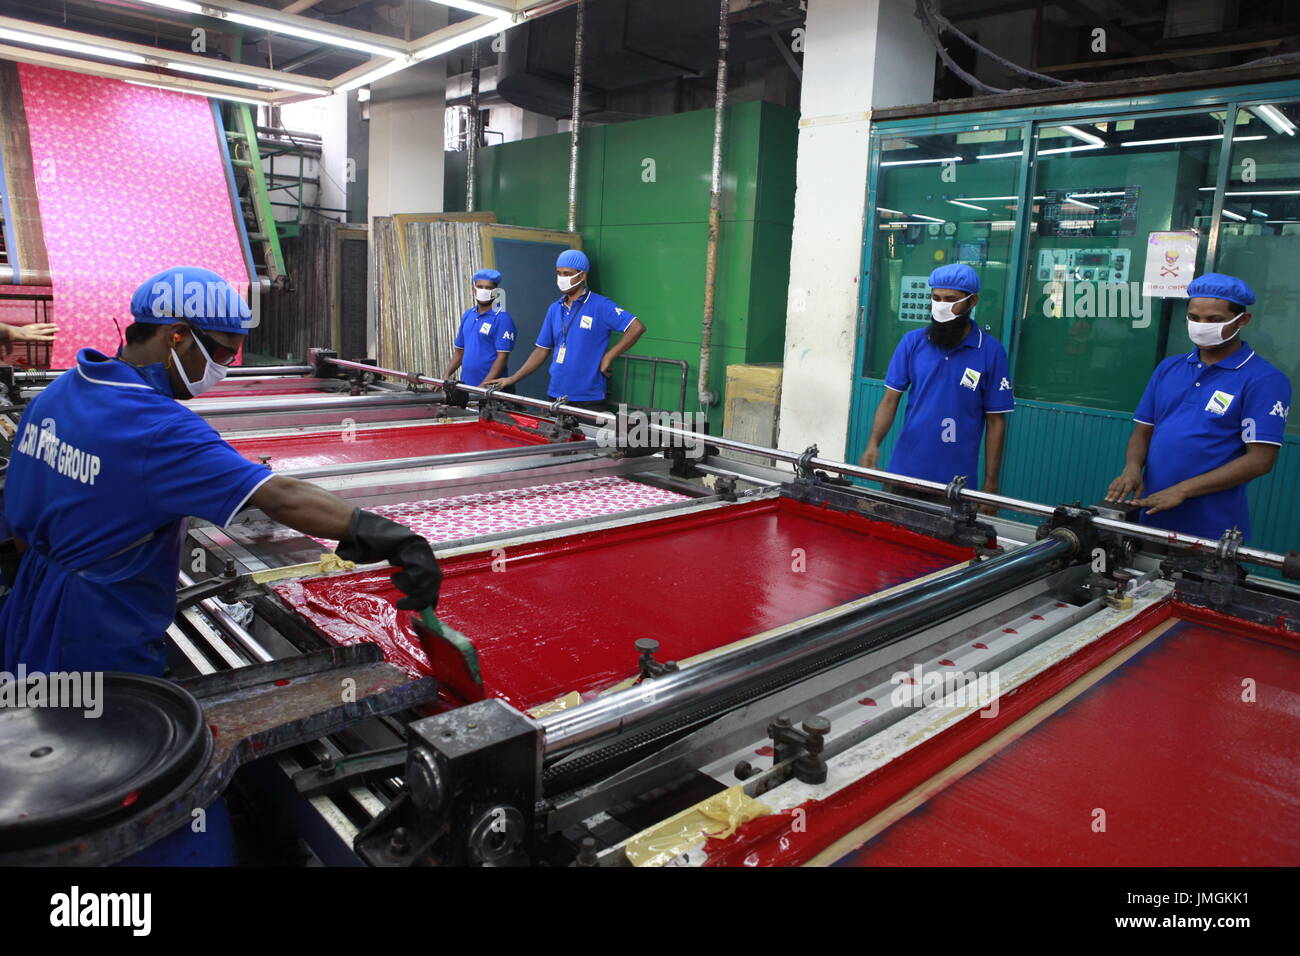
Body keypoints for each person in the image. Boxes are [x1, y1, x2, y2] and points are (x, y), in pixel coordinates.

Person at [0, 266, 442, 678]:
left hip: (27, 607)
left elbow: (18, 524)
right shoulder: (158, 427)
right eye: (221, 355)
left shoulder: (56, 394)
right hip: (97, 636)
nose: (223, 371)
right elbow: (278, 496)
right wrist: (393, 538)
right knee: (99, 746)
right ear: (177, 336)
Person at [1105, 273, 1291, 541]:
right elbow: (1144, 430)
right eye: (1194, 318)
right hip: (1151, 513)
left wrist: (1182, 490)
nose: (1201, 326)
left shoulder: (1264, 379)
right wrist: (1132, 468)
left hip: (1211, 528)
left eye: (1214, 320)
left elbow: (1260, 460)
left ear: (1243, 320)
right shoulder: (1170, 368)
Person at [860, 264, 1013, 510]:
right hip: (904, 473)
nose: (941, 306)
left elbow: (996, 421)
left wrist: (990, 486)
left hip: (955, 484)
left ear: (972, 301)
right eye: (936, 298)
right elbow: (890, 400)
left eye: (950, 300)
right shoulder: (913, 342)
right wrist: (873, 443)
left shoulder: (990, 352)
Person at [484, 249, 646, 411]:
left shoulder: (600, 305)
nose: (562, 278)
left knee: (586, 437)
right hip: (556, 395)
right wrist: (512, 379)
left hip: (588, 398)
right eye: (559, 273)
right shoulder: (555, 309)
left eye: (567, 274)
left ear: (582, 276)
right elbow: (541, 351)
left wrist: (609, 356)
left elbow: (636, 327)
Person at [443, 268, 516, 387]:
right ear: (473, 289)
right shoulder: (468, 315)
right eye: (480, 286)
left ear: (496, 291)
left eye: (488, 288)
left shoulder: (502, 319)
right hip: (466, 388)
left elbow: (502, 358)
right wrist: (445, 377)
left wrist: (482, 388)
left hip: (491, 391)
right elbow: (459, 352)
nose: (484, 290)